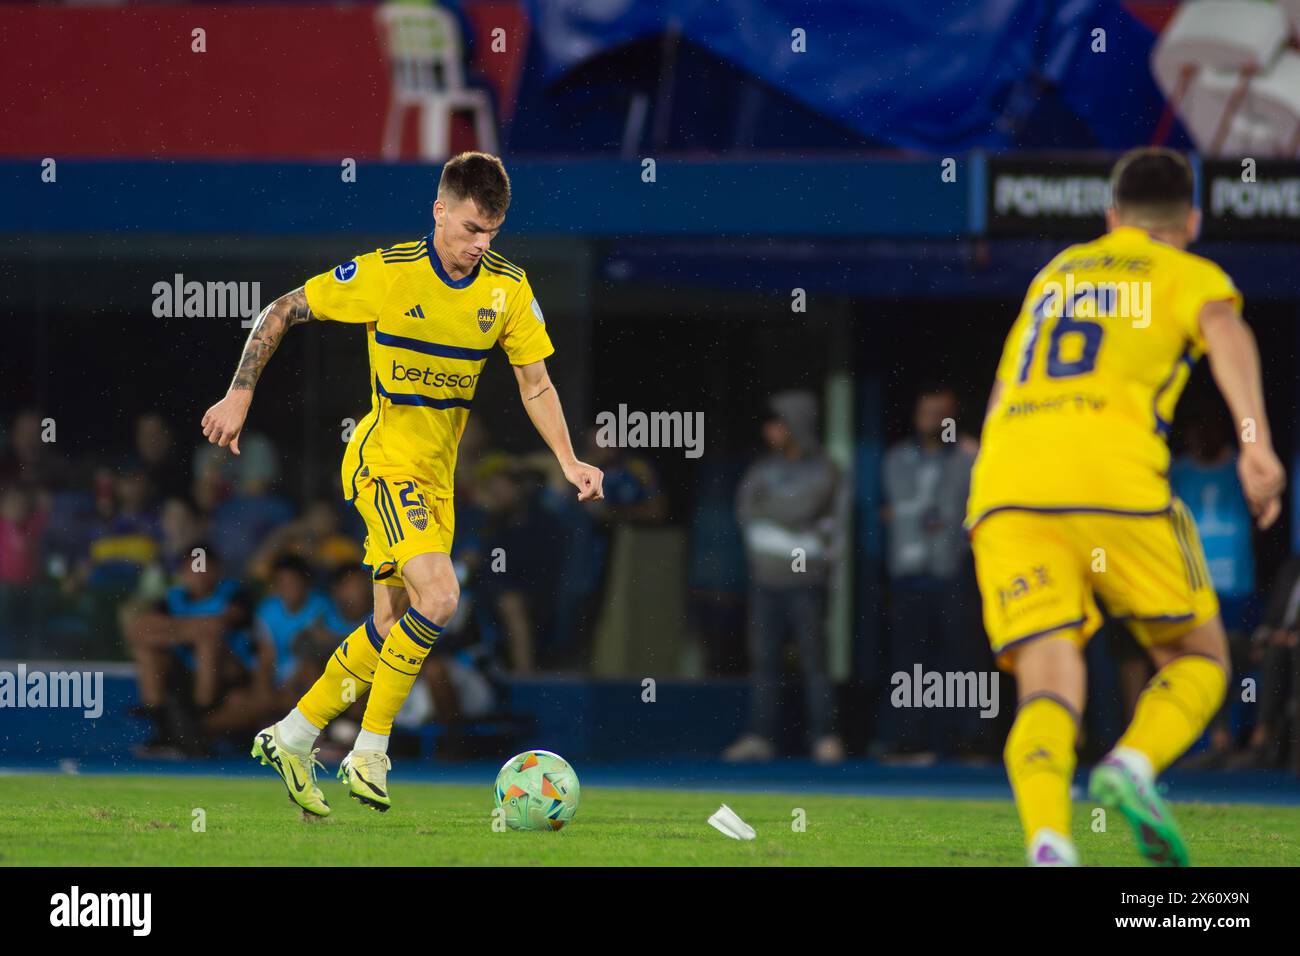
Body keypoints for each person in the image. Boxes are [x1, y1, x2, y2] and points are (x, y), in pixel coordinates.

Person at [200, 152, 605, 817]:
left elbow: (536, 383)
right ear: (439, 211)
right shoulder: (388, 274)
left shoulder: (507, 287)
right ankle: (370, 750)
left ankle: (294, 735)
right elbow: (280, 311)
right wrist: (239, 396)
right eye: (472, 228)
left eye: (492, 233)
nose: (481, 245)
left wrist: (566, 459)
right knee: (441, 596)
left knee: (392, 624)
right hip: (382, 459)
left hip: (437, 480)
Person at [966, 147, 1285, 866]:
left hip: (1007, 487)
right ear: (1192, 221)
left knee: (1048, 683)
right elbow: (1227, 330)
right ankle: (1133, 766)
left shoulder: (1056, 274)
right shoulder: (1186, 272)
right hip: (1113, 480)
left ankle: (1049, 840)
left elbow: (1000, 394)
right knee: (1201, 658)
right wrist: (1254, 442)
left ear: (1111, 217)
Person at [724, 390, 845, 764]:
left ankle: (824, 737)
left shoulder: (826, 468)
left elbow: (803, 507)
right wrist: (789, 514)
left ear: (796, 425)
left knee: (814, 662)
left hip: (806, 581)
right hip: (765, 580)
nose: (771, 431)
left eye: (778, 424)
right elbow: (745, 508)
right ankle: (761, 736)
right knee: (764, 660)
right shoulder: (762, 468)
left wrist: (773, 510)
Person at [880, 384, 977, 761]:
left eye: (940, 412)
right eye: (926, 411)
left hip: (953, 571)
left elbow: (966, 514)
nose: (932, 420)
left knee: (962, 659)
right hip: (909, 572)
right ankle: (908, 739)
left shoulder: (971, 456)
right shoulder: (898, 458)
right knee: (908, 661)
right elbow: (900, 508)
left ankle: (969, 739)